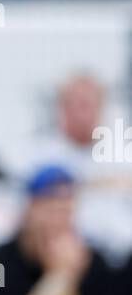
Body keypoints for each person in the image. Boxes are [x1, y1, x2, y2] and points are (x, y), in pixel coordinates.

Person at [0, 165, 115, 295]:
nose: (56, 221)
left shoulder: (93, 264)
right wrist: (60, 276)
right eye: (49, 210)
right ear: (28, 211)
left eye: (65, 212)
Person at [16, 73, 132, 267]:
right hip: (62, 255)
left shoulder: (122, 153)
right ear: (60, 108)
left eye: (87, 104)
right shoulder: (37, 156)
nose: (80, 113)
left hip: (122, 255)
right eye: (73, 104)